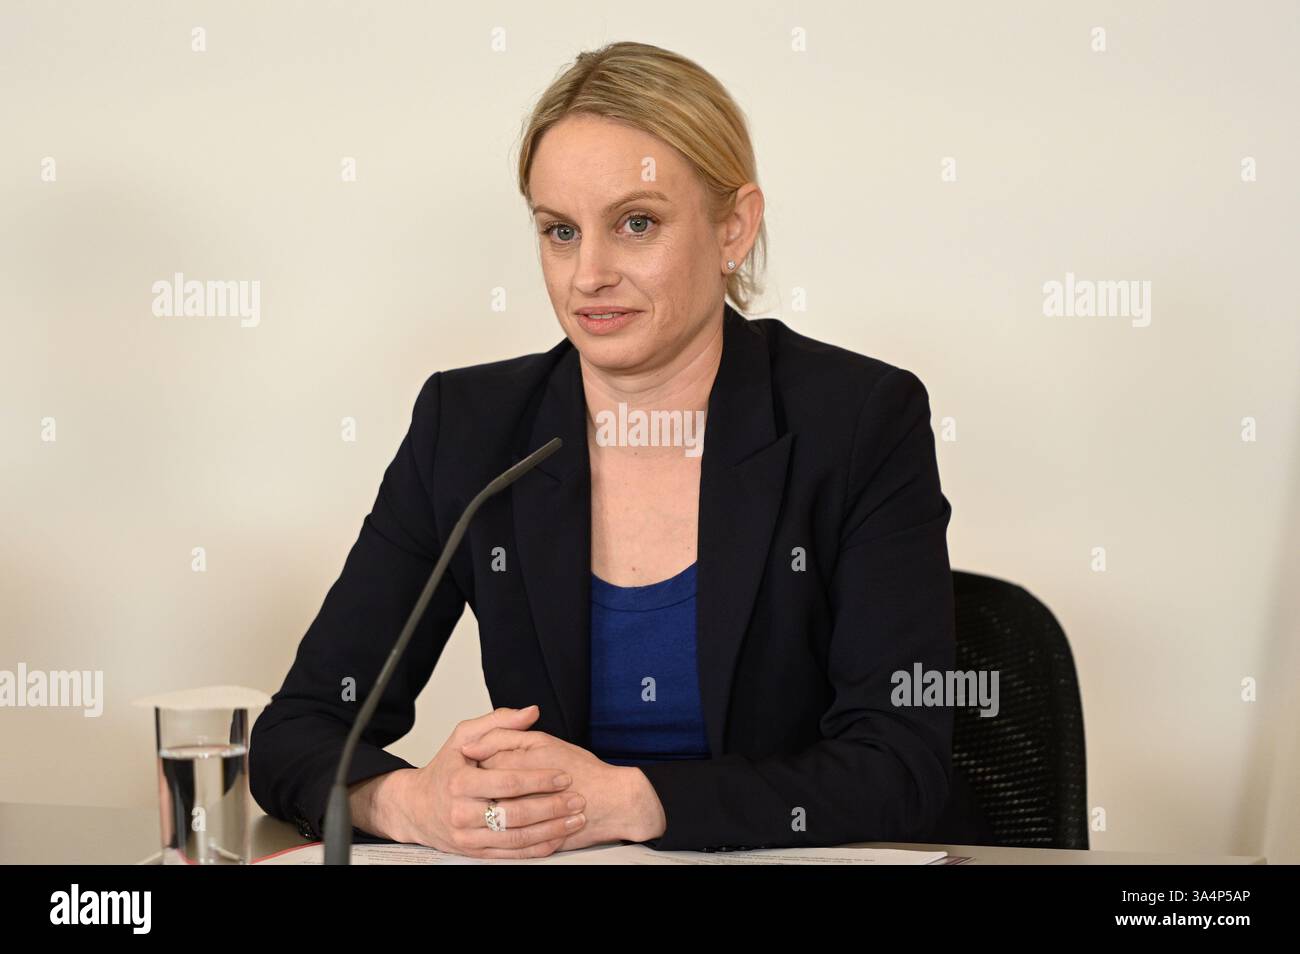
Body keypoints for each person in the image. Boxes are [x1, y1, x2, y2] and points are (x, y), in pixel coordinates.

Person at [250, 40, 981, 858]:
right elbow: (298, 732)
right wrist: (407, 802)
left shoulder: (856, 421)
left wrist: (635, 802)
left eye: (637, 224)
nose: (588, 274)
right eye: (560, 232)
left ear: (733, 226)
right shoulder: (472, 426)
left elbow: (899, 769)